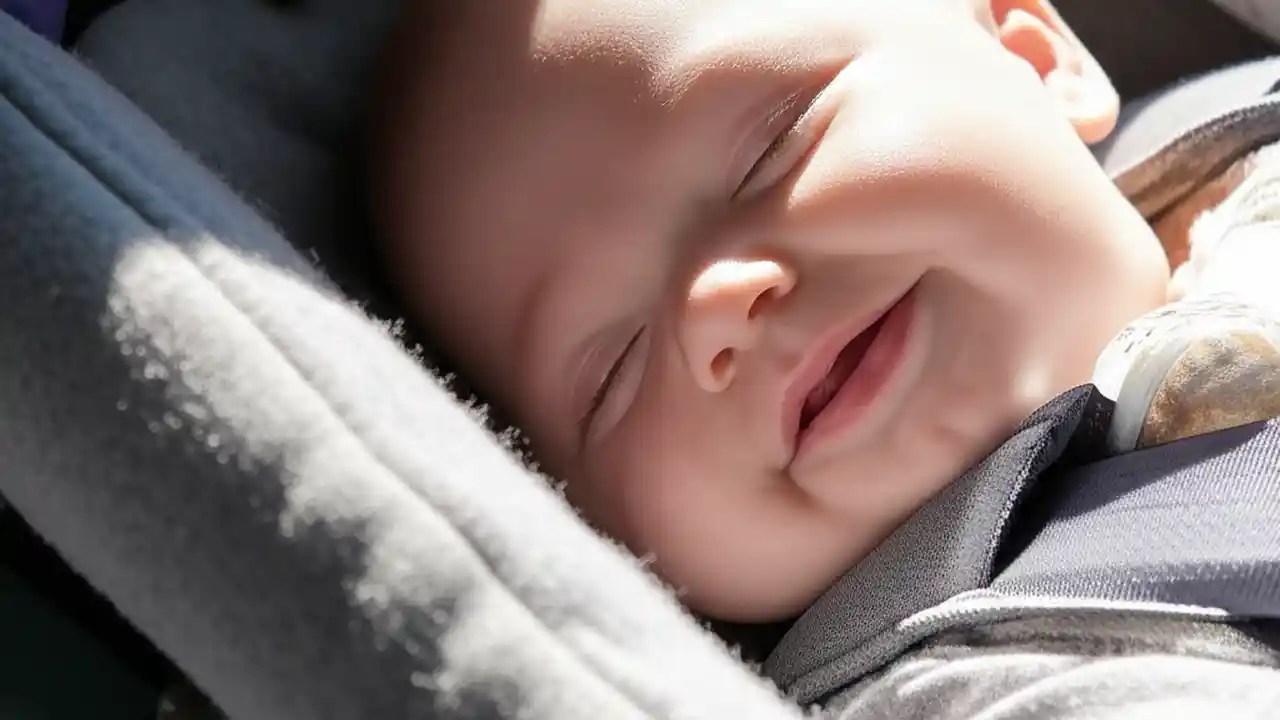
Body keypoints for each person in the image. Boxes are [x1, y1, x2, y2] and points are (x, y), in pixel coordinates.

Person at [371, 0, 1280, 713]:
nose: (717, 307)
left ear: (1033, 55)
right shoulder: (981, 687)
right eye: (615, 371)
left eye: (774, 148)